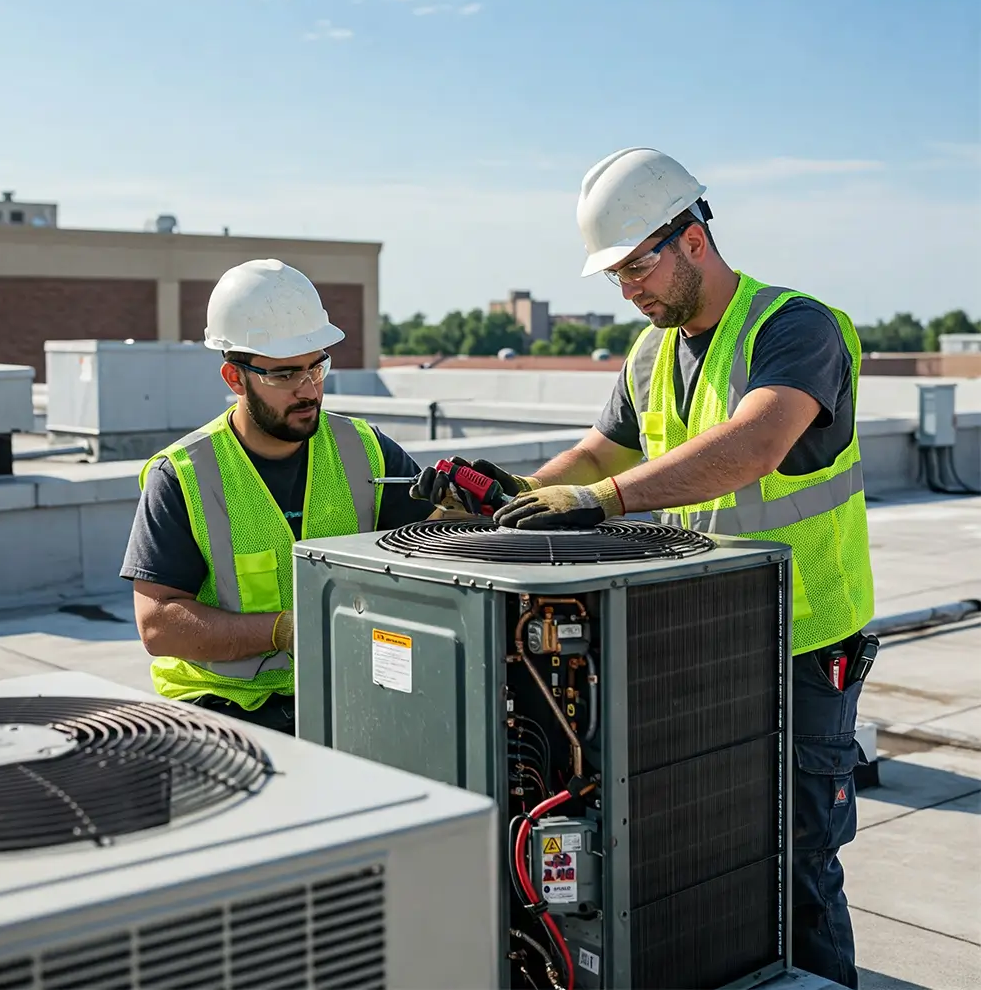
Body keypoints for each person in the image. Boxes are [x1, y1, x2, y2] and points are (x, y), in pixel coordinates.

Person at [413, 147, 876, 989]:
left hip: (802, 646)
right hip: (696, 635)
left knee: (800, 872)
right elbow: (597, 455)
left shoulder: (796, 327)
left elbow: (755, 442)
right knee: (704, 859)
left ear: (692, 237)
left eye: (637, 267)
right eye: (616, 276)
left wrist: (606, 500)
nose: (629, 290)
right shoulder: (650, 353)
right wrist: (512, 498)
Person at [120, 258, 441, 735]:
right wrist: (282, 631)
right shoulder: (184, 474)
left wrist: (455, 515)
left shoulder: (367, 450)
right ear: (235, 379)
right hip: (224, 709)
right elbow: (158, 625)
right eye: (285, 375)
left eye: (317, 368)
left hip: (347, 689)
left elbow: (430, 550)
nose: (309, 390)